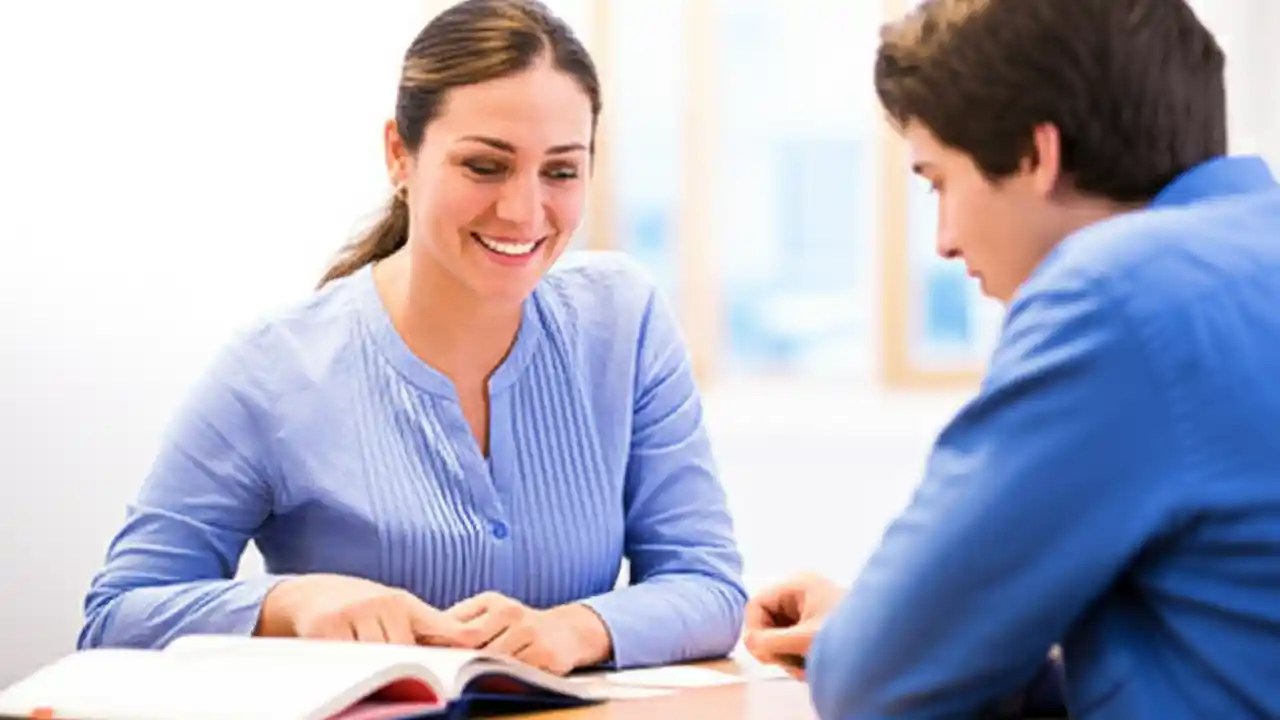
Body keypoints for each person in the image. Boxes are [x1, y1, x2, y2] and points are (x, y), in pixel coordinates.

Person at [78, 0, 745, 675]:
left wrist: (577, 629)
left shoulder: (624, 322)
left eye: (561, 171)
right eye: (484, 166)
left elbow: (708, 586)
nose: (523, 211)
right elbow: (117, 616)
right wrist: (293, 602)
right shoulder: (274, 368)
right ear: (400, 154)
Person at [745, 0, 1280, 717]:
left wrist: (875, 636)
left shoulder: (1116, 293)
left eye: (939, 181)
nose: (943, 241)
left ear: (1035, 156)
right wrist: (911, 633)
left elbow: (875, 684)